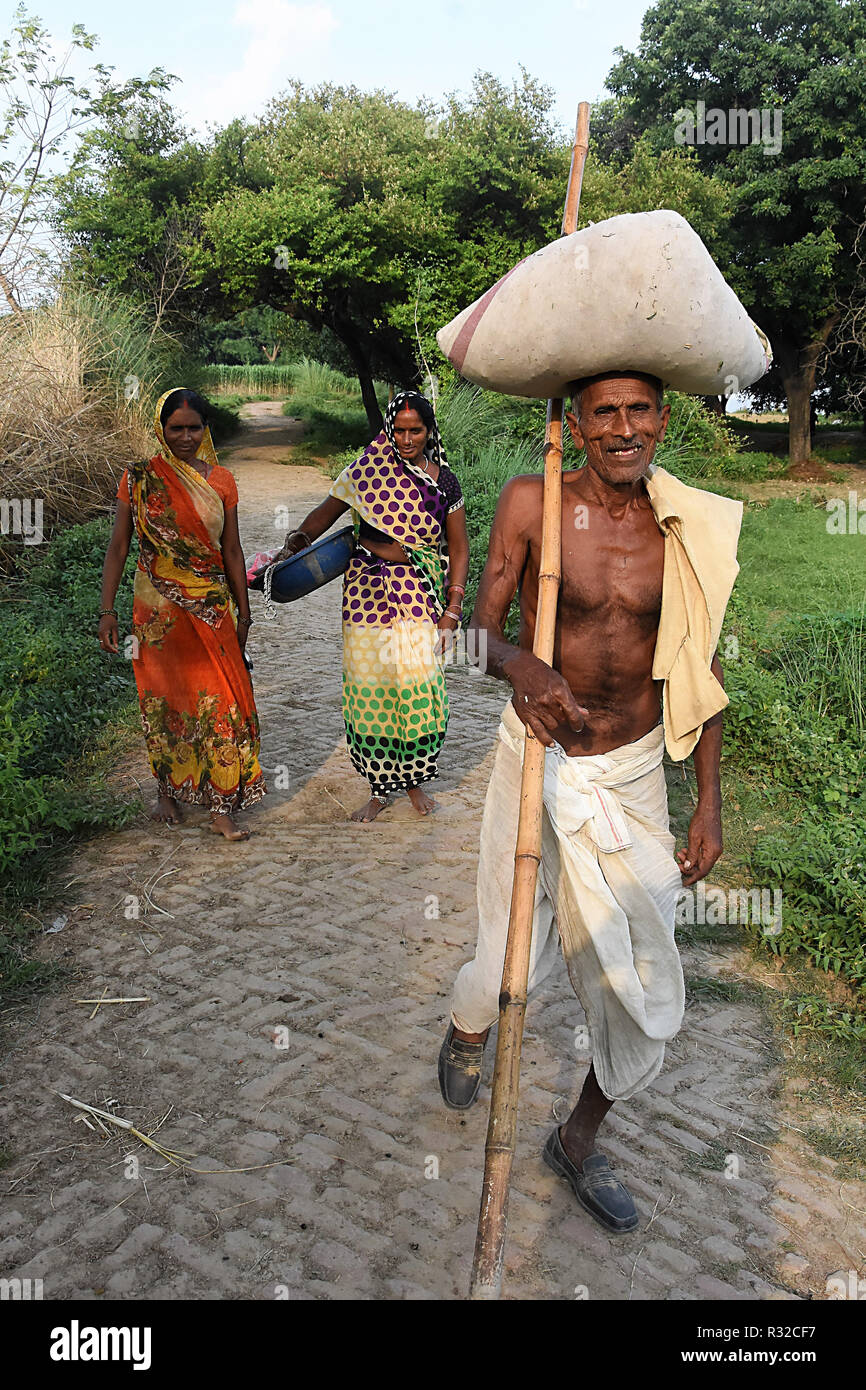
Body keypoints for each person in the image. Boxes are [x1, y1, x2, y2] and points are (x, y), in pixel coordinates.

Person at [437, 371, 743, 1234]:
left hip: (635, 771)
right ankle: (468, 1025)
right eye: (602, 411)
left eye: (637, 409)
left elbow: (704, 673)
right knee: (505, 963)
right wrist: (520, 666)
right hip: (539, 758)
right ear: (574, 422)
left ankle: (576, 1140)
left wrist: (708, 804)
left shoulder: (685, 528)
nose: (621, 428)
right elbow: (468, 632)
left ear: (663, 418)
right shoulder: (532, 503)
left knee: (642, 980)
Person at [277, 390, 469, 822]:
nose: (405, 439)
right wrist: (292, 546)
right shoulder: (367, 470)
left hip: (419, 589)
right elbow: (323, 516)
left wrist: (453, 610)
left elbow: (459, 548)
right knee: (373, 686)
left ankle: (416, 782)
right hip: (366, 590)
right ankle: (381, 789)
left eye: (414, 430)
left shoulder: (444, 482)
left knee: (419, 682)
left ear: (428, 429)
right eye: (398, 430)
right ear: (388, 428)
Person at [98, 387, 265, 841]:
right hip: (156, 612)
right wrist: (107, 610)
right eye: (177, 429)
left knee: (223, 701)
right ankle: (167, 790)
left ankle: (221, 806)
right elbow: (119, 546)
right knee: (165, 698)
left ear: (205, 430)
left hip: (211, 608)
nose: (186, 437)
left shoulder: (222, 481)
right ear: (161, 429)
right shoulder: (138, 479)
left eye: (194, 428)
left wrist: (243, 612)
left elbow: (231, 549)